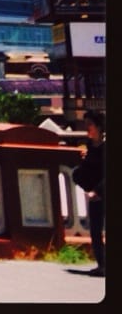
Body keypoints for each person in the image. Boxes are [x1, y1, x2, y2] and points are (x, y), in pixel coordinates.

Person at [72, 109, 105, 277]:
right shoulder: (90, 146)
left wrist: (98, 191)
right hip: (94, 195)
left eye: (89, 125)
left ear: (99, 126)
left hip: (104, 193)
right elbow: (87, 171)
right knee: (95, 231)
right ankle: (102, 265)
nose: (87, 128)